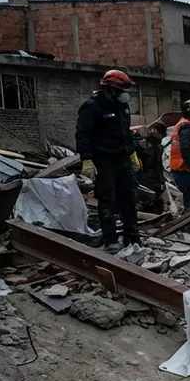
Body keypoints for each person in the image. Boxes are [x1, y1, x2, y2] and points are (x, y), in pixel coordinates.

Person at [76, 70, 141, 249]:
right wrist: (87, 159)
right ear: (111, 89)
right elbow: (83, 134)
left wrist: (132, 153)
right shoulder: (92, 107)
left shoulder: (122, 107)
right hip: (104, 160)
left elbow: (125, 132)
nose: (124, 94)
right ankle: (110, 239)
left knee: (128, 197)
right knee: (107, 199)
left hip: (122, 158)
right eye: (121, 90)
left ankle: (132, 236)